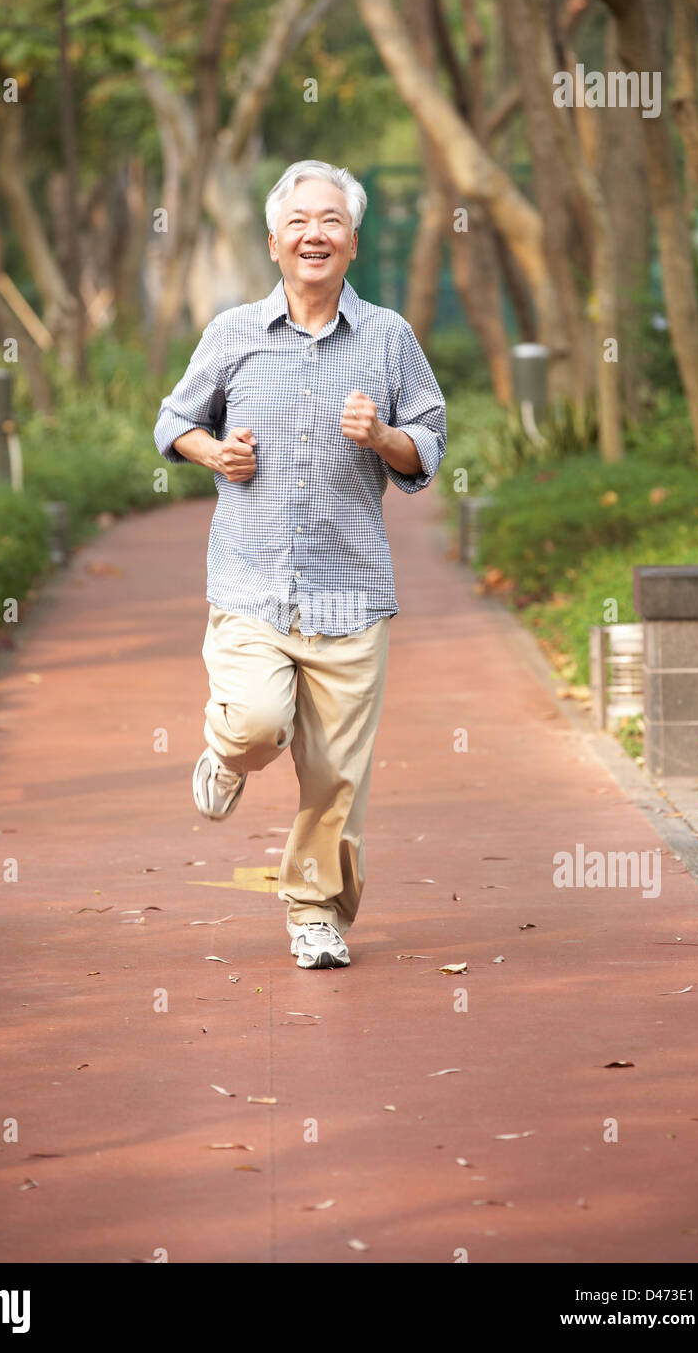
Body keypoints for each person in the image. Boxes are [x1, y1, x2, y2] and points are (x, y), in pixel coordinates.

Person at [153, 159, 446, 969]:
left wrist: (384, 436)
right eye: (299, 222)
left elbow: (428, 440)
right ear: (275, 242)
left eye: (331, 222)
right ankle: (226, 754)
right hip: (251, 582)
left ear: (353, 242)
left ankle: (316, 914)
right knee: (253, 724)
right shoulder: (233, 334)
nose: (314, 234)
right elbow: (174, 420)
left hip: (352, 591)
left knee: (335, 782)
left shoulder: (389, 337)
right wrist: (217, 453)